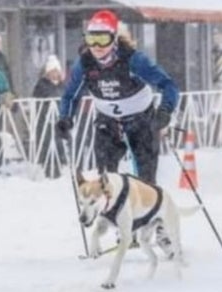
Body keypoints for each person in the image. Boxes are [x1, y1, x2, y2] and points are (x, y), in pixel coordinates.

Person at [57, 10, 179, 185]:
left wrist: (165, 110)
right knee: (106, 179)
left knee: (146, 181)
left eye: (103, 39)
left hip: (141, 120)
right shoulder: (84, 64)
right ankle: (112, 209)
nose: (97, 46)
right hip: (108, 122)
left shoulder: (133, 60)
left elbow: (168, 85)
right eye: (92, 39)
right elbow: (70, 96)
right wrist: (65, 118)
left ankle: (147, 206)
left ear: (114, 38)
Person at [32, 55, 66, 178]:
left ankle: (58, 166)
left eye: (56, 71)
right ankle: (49, 168)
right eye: (52, 71)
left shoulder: (62, 85)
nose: (54, 74)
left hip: (59, 119)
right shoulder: (42, 84)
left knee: (58, 143)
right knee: (47, 143)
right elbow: (39, 97)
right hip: (45, 119)